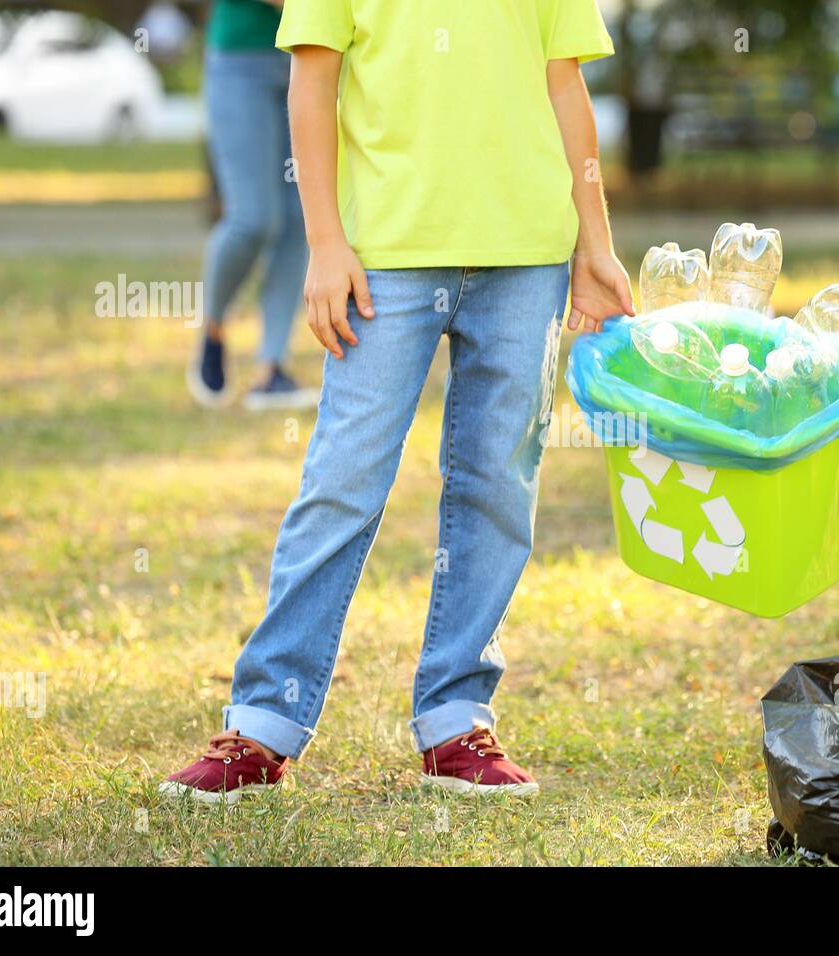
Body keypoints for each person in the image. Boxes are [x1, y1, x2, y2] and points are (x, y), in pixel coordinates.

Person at [161, 0, 632, 801]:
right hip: (385, 259)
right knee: (343, 480)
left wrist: (597, 243)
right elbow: (312, 85)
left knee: (497, 487)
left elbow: (565, 89)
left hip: (527, 259)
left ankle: (456, 717)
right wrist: (324, 244)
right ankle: (265, 721)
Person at [189, 0, 316, 411]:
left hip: (309, 56)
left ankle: (271, 368)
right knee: (253, 219)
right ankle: (212, 326)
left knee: (300, 216)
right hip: (240, 61)